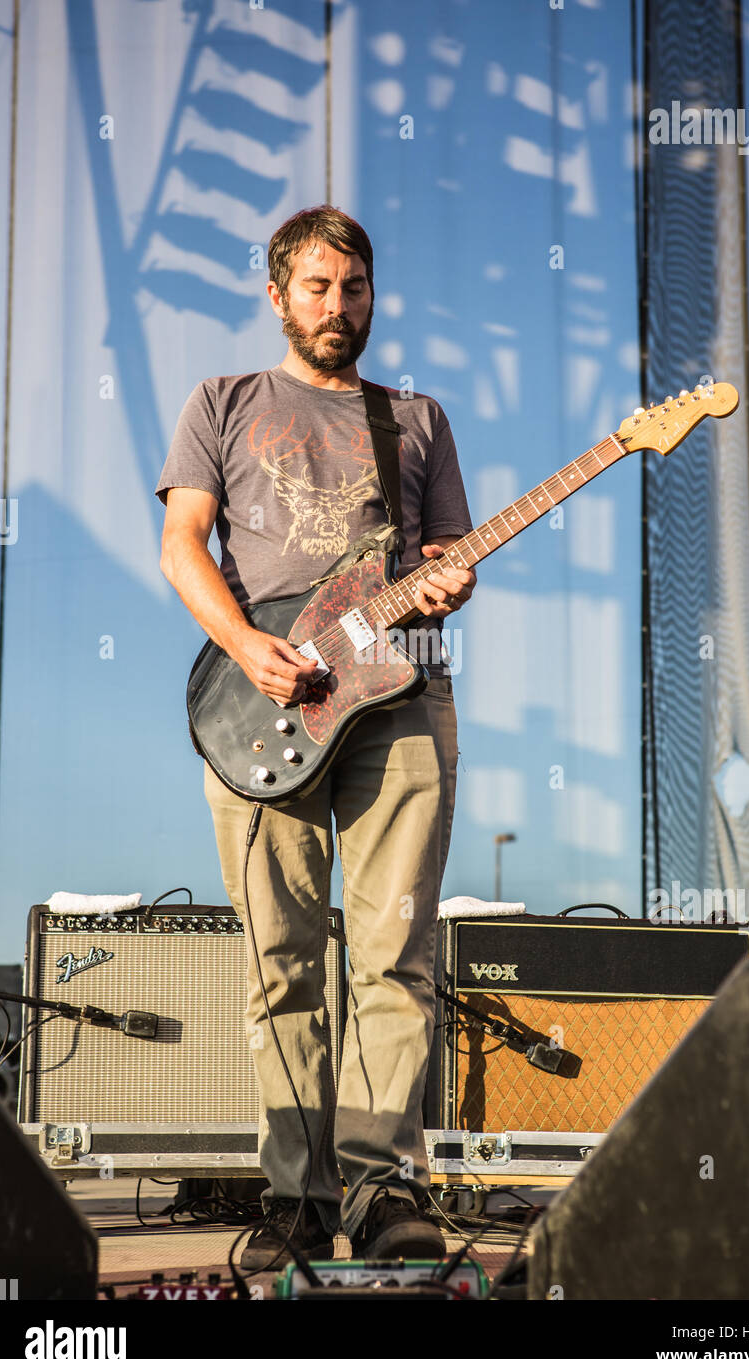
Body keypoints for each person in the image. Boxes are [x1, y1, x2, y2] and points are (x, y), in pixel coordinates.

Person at [156, 205, 475, 1270]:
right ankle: (296, 1195)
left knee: (394, 958)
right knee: (280, 959)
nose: (338, 307)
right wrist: (247, 645)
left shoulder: (415, 418)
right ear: (278, 294)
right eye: (317, 288)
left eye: (354, 288)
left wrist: (447, 579)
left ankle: (386, 1191)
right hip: (261, 703)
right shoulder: (224, 401)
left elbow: (436, 560)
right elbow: (181, 541)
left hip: (398, 705)